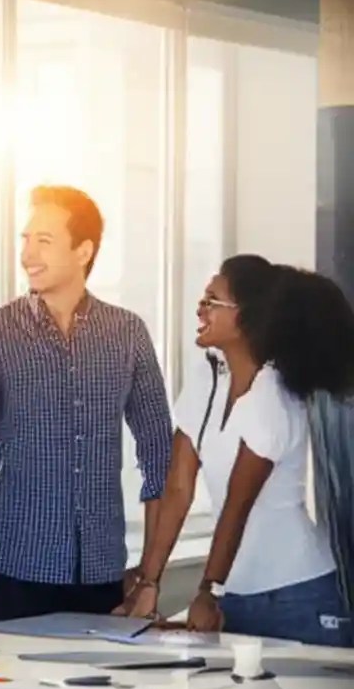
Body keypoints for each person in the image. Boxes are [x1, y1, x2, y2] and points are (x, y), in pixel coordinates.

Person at [0, 185, 173, 622]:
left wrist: (151, 575)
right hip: (15, 572)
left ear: (84, 251)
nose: (27, 254)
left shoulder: (128, 334)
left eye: (44, 241)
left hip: (104, 574)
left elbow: (160, 457)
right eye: (26, 239)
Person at [114, 255, 354, 647]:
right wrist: (148, 580)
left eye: (212, 301)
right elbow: (178, 489)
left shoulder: (274, 394)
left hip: (299, 597)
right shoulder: (205, 379)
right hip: (236, 593)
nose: (200, 308)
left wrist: (209, 590)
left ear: (246, 316)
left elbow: (237, 505)